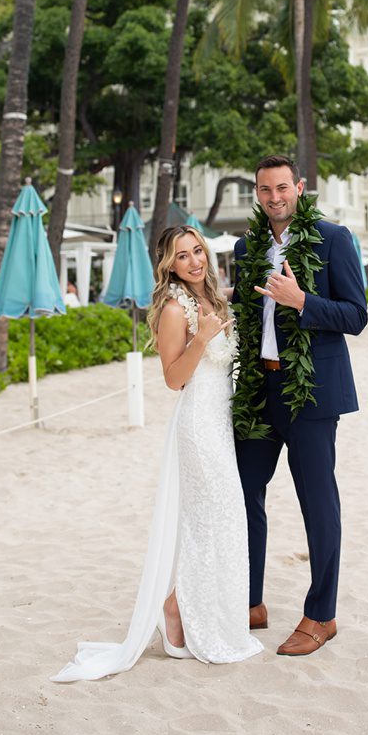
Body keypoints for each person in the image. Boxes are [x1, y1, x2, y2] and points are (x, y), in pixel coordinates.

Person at [52, 226, 262, 681]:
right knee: (216, 521)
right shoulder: (173, 307)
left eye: (198, 251)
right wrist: (202, 340)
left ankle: (189, 612)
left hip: (221, 424)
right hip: (198, 427)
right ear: (168, 264)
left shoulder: (212, 299)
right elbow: (174, 379)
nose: (194, 261)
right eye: (182, 256)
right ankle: (173, 611)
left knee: (220, 524)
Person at [231, 155, 368, 657]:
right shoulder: (247, 248)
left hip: (310, 394)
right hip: (259, 390)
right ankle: (249, 601)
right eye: (265, 190)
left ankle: (321, 615)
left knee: (317, 501)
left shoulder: (334, 239)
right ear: (257, 194)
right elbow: (248, 316)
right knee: (243, 491)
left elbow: (356, 316)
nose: (274, 198)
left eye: (283, 188)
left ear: (300, 188)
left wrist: (302, 300)